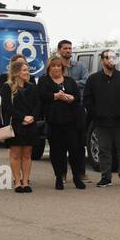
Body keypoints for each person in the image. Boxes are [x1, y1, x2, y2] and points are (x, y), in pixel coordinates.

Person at [82, 49, 120, 187]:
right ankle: (106, 177)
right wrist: (96, 113)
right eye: (107, 57)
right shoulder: (93, 79)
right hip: (101, 122)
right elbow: (87, 99)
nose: (110, 60)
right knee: (104, 151)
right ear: (102, 60)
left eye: (113, 57)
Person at [38, 55, 86, 189]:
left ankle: (77, 177)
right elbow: (41, 96)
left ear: (62, 68)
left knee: (75, 149)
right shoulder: (44, 81)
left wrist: (71, 98)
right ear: (49, 68)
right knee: (57, 151)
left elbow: (77, 97)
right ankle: (59, 176)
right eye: (53, 66)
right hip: (54, 122)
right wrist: (55, 96)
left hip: (72, 121)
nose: (56, 68)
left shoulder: (70, 81)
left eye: (59, 66)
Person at [0, 56, 42, 193]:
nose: (27, 72)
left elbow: (38, 104)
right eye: (24, 70)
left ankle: (26, 182)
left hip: (30, 124)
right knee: (16, 154)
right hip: (16, 124)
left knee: (27, 154)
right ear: (17, 72)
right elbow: (7, 107)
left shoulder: (31, 87)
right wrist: (22, 117)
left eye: (27, 70)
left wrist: (32, 117)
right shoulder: (7, 87)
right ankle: (17, 182)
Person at [58, 39, 91, 183]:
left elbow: (86, 80)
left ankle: (81, 173)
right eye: (65, 48)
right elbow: (51, 82)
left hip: (78, 108)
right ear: (59, 50)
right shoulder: (55, 66)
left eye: (70, 48)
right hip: (59, 110)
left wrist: (68, 84)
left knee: (78, 143)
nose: (68, 51)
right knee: (61, 144)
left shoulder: (80, 66)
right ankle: (62, 174)